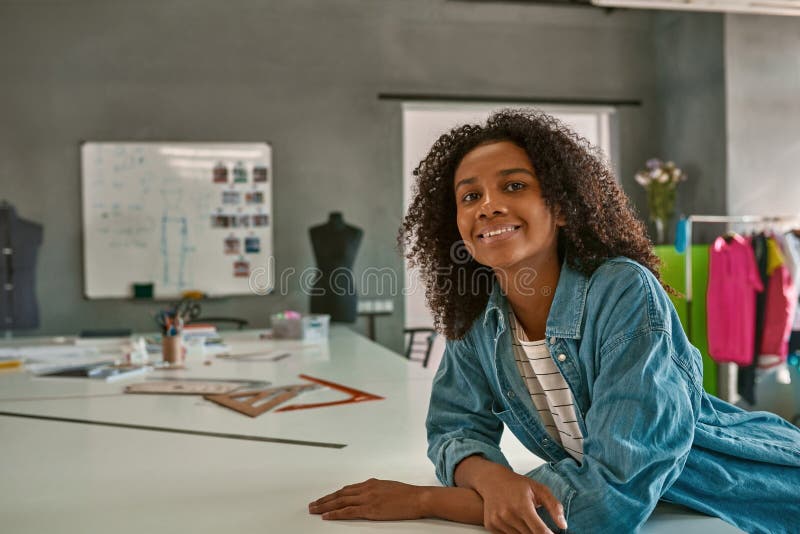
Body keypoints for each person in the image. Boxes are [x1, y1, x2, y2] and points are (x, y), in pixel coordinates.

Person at [308, 111, 800, 533]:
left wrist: (425, 501)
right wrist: (494, 480)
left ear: (562, 206)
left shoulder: (622, 290)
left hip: (753, 497)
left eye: (514, 186)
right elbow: (454, 427)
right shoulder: (479, 313)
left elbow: (611, 498)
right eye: (469, 196)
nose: (489, 205)